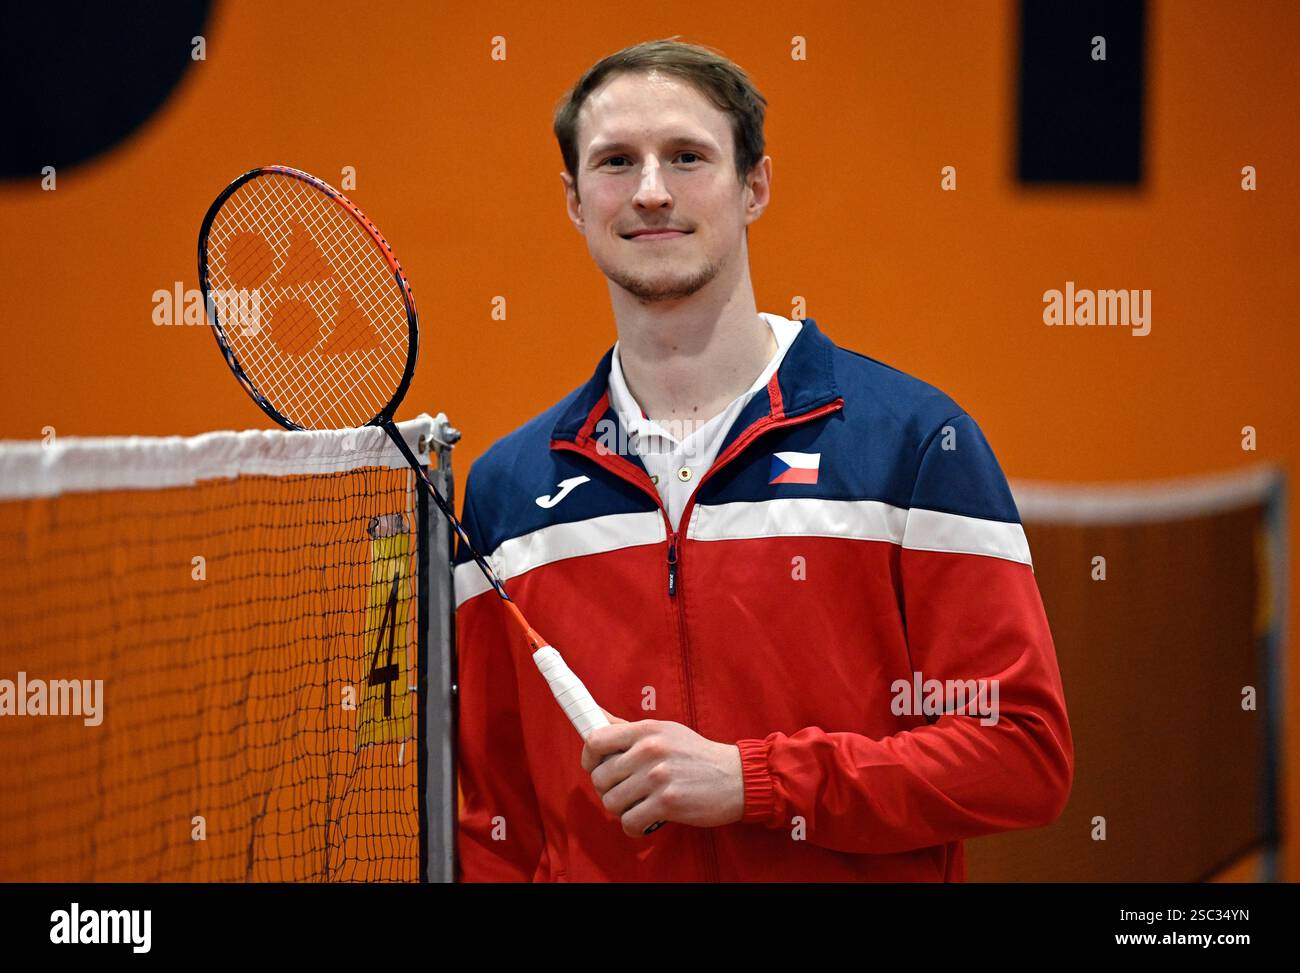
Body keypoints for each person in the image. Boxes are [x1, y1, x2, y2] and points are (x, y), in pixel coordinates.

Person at [453, 37, 1073, 882]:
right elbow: (493, 827)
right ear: (573, 199)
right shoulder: (506, 490)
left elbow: (1021, 755)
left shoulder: (916, 444)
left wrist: (756, 781)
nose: (650, 191)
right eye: (615, 162)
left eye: (686, 156)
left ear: (755, 186)